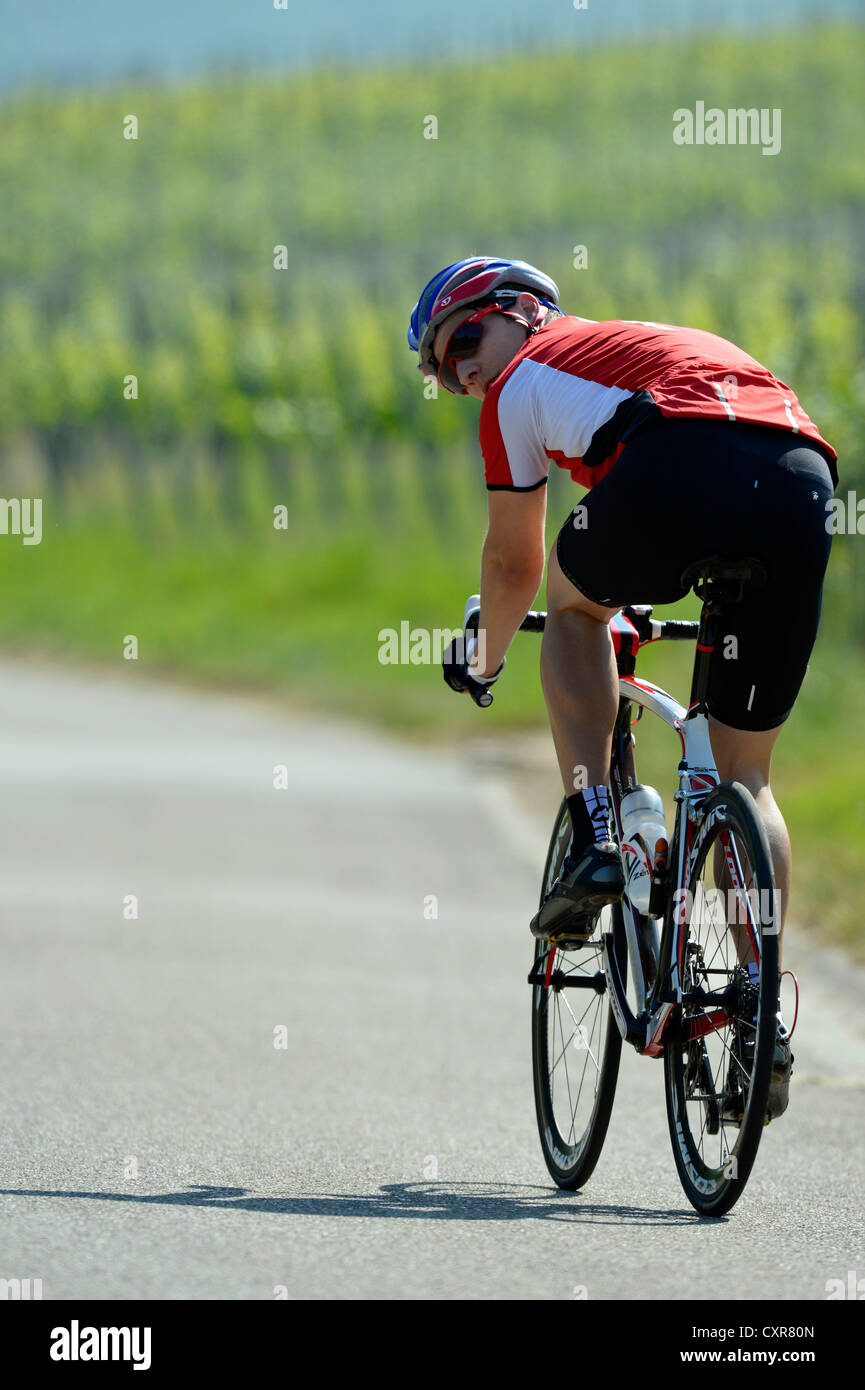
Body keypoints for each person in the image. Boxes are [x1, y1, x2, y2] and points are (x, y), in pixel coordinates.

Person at [408, 256, 839, 1118]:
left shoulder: (521, 383)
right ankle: (759, 1012)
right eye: (451, 375)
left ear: (526, 311)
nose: (465, 372)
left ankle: (595, 828)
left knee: (570, 612)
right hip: (801, 474)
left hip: (678, 458)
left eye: (464, 339)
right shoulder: (632, 350)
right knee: (744, 781)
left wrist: (484, 658)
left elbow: (513, 562)